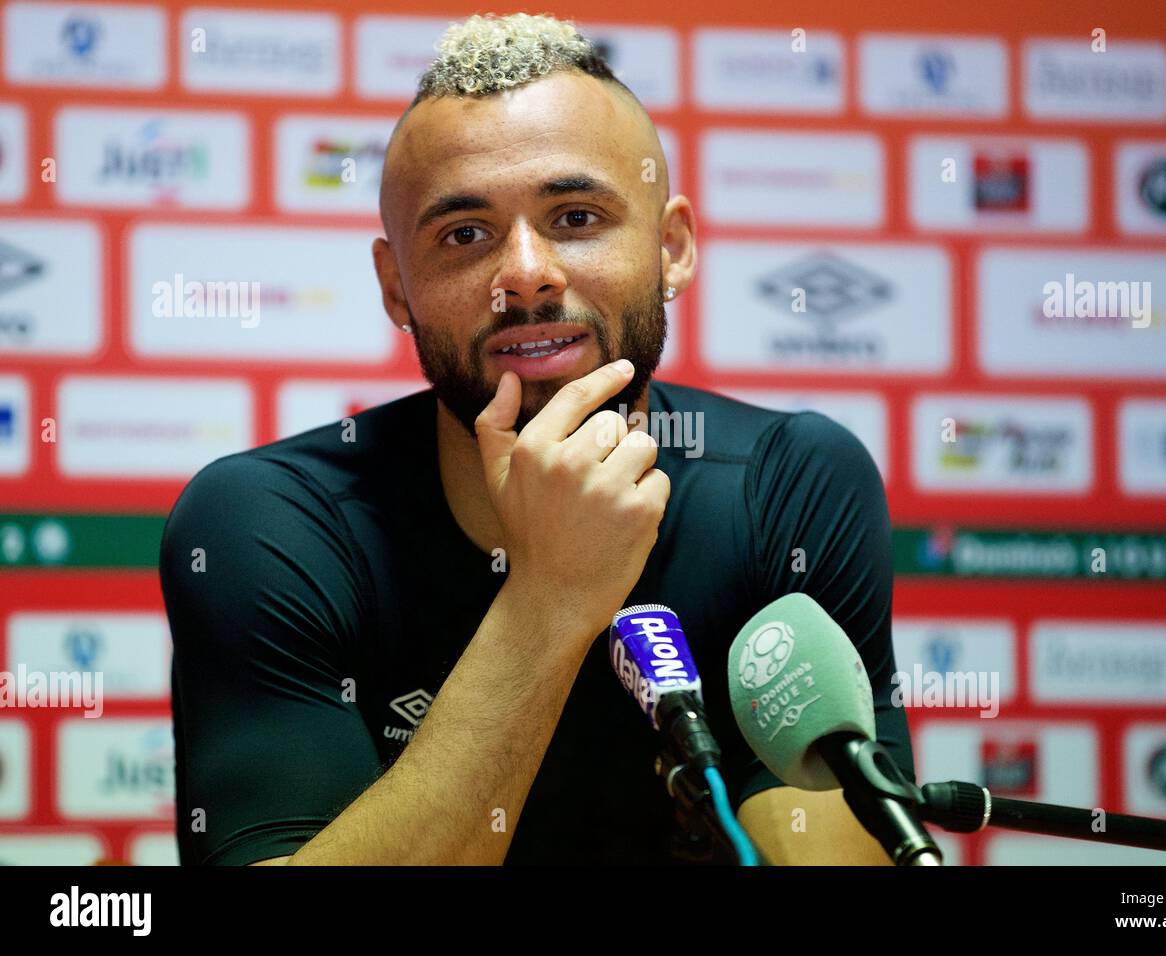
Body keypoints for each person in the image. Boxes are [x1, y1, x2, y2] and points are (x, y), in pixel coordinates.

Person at [160, 12, 914, 865]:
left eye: (577, 217)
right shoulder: (266, 522)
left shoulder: (789, 485)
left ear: (672, 247)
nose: (525, 272)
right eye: (465, 235)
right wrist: (550, 598)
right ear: (396, 286)